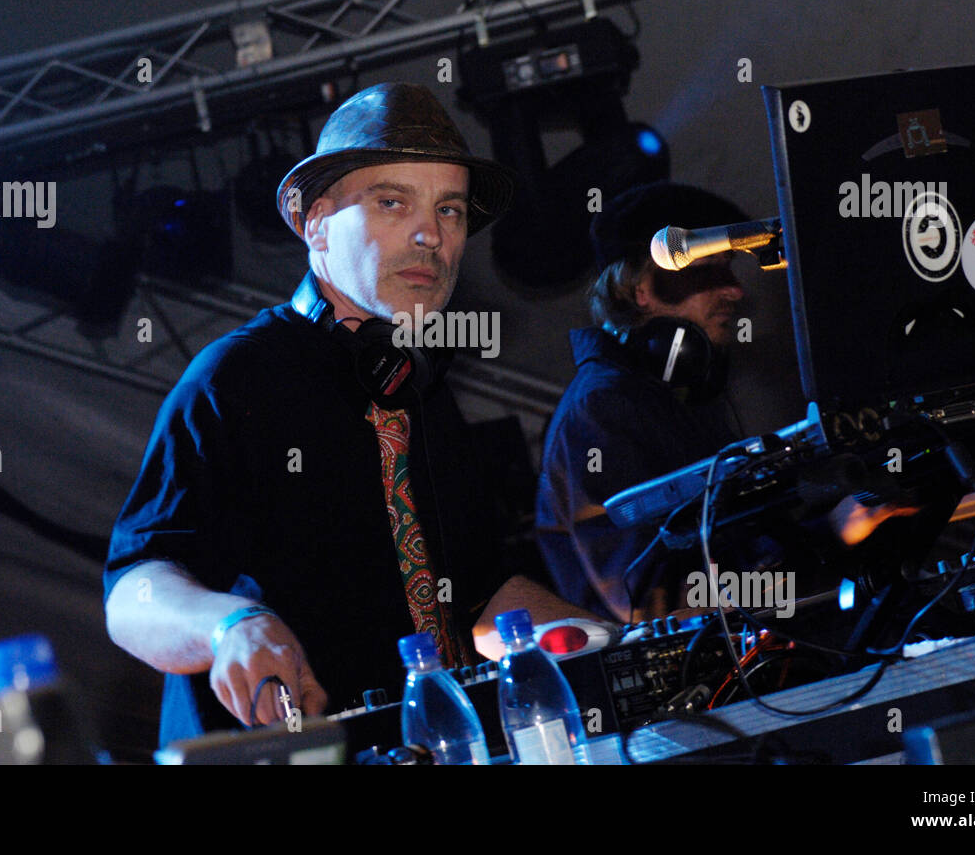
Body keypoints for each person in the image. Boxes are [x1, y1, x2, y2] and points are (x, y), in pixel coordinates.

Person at [104, 82, 598, 746]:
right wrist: (233, 627)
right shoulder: (235, 377)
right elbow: (132, 592)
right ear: (315, 223)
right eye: (392, 202)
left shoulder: (421, 391)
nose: (431, 234)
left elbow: (482, 602)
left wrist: (619, 644)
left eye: (449, 210)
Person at [535, 180, 759, 623]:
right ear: (640, 289)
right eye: (709, 270)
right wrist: (828, 540)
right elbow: (652, 600)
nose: (735, 290)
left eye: (730, 267)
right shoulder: (602, 409)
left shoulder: (675, 396)